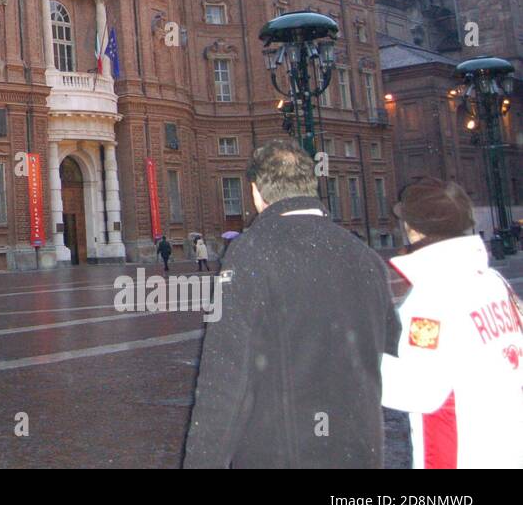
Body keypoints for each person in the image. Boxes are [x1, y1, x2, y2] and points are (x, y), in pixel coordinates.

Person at [183, 140, 398, 468]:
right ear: (310, 185)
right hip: (357, 450)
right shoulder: (367, 259)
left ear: (255, 192)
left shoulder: (250, 252)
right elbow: (390, 358)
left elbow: (224, 375)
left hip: (280, 452)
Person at [380, 177, 523, 468]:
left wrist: (362, 358)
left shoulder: (433, 294)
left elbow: (417, 390)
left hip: (459, 455)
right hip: (507, 447)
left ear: (413, 230)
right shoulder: (495, 282)